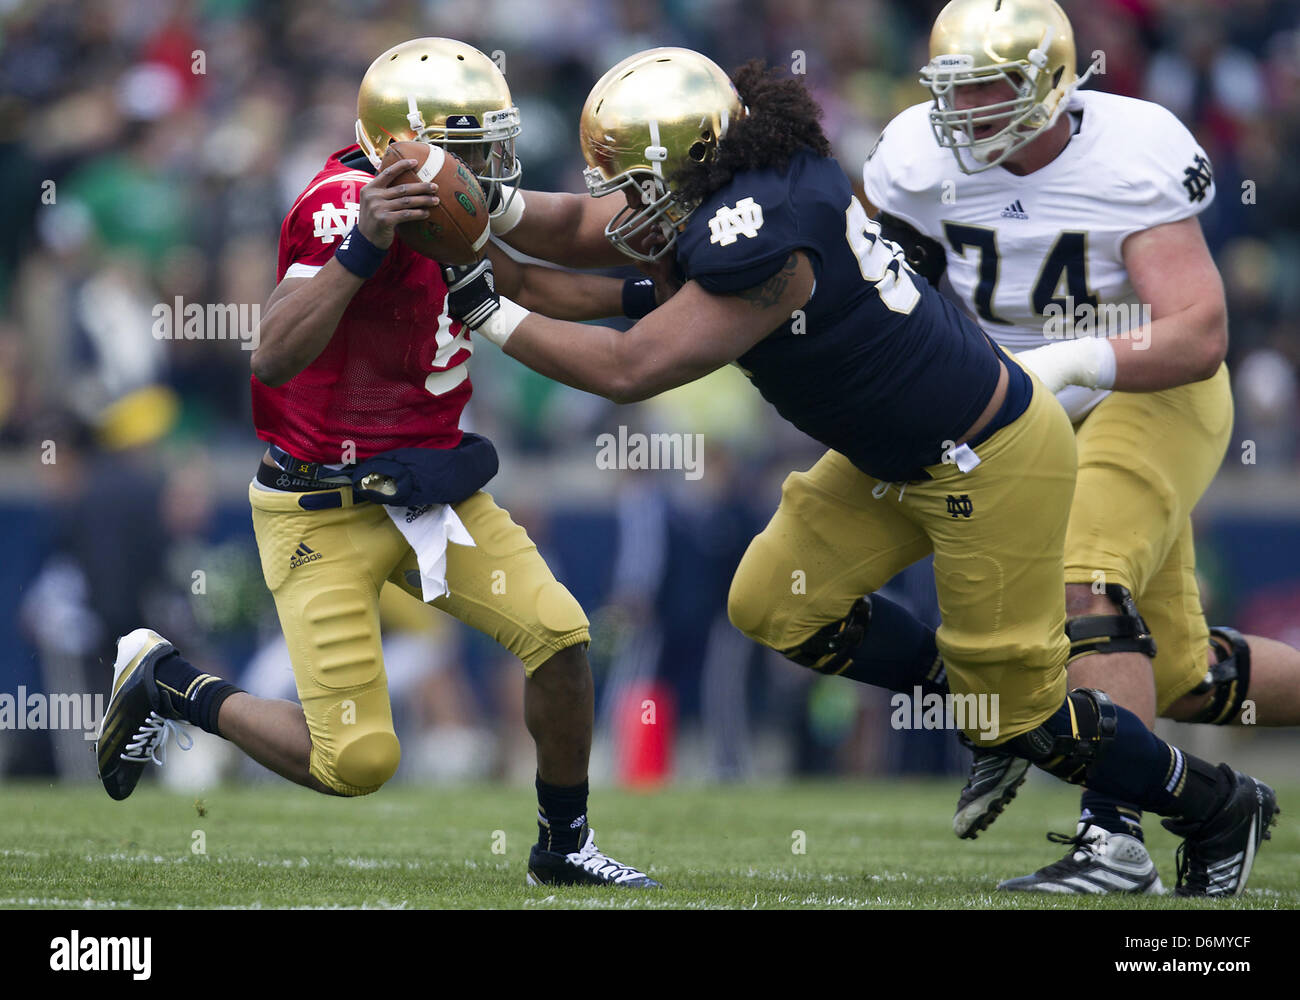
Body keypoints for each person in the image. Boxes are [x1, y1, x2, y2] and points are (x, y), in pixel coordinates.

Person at [443, 45, 1278, 897]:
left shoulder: (762, 242)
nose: (618, 200)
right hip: (891, 453)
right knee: (775, 601)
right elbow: (585, 232)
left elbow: (630, 368)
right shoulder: (752, 175)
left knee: (1023, 711)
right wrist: (486, 203)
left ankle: (1215, 803)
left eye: (632, 178)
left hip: (984, 458)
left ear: (691, 162)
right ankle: (973, 698)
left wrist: (487, 310)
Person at [94, 37, 658, 889]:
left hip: (427, 492)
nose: (486, 163)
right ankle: (169, 683)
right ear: (407, 138)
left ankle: (563, 844)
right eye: (470, 143)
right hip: (318, 509)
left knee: (561, 638)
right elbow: (272, 357)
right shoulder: (339, 204)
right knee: (354, 761)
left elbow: (525, 284)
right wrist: (361, 246)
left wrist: (657, 293)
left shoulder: (447, 205)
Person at [862, 0, 1300, 893]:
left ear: (1051, 83)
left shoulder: (1132, 147)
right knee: (1182, 677)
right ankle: (1038, 729)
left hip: (1149, 387)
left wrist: (1070, 358)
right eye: (954, 88)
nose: (968, 108)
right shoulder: (913, 152)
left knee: (1085, 584)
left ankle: (1116, 839)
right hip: (1016, 408)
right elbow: (879, 293)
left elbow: (1201, 331)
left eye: (989, 85)